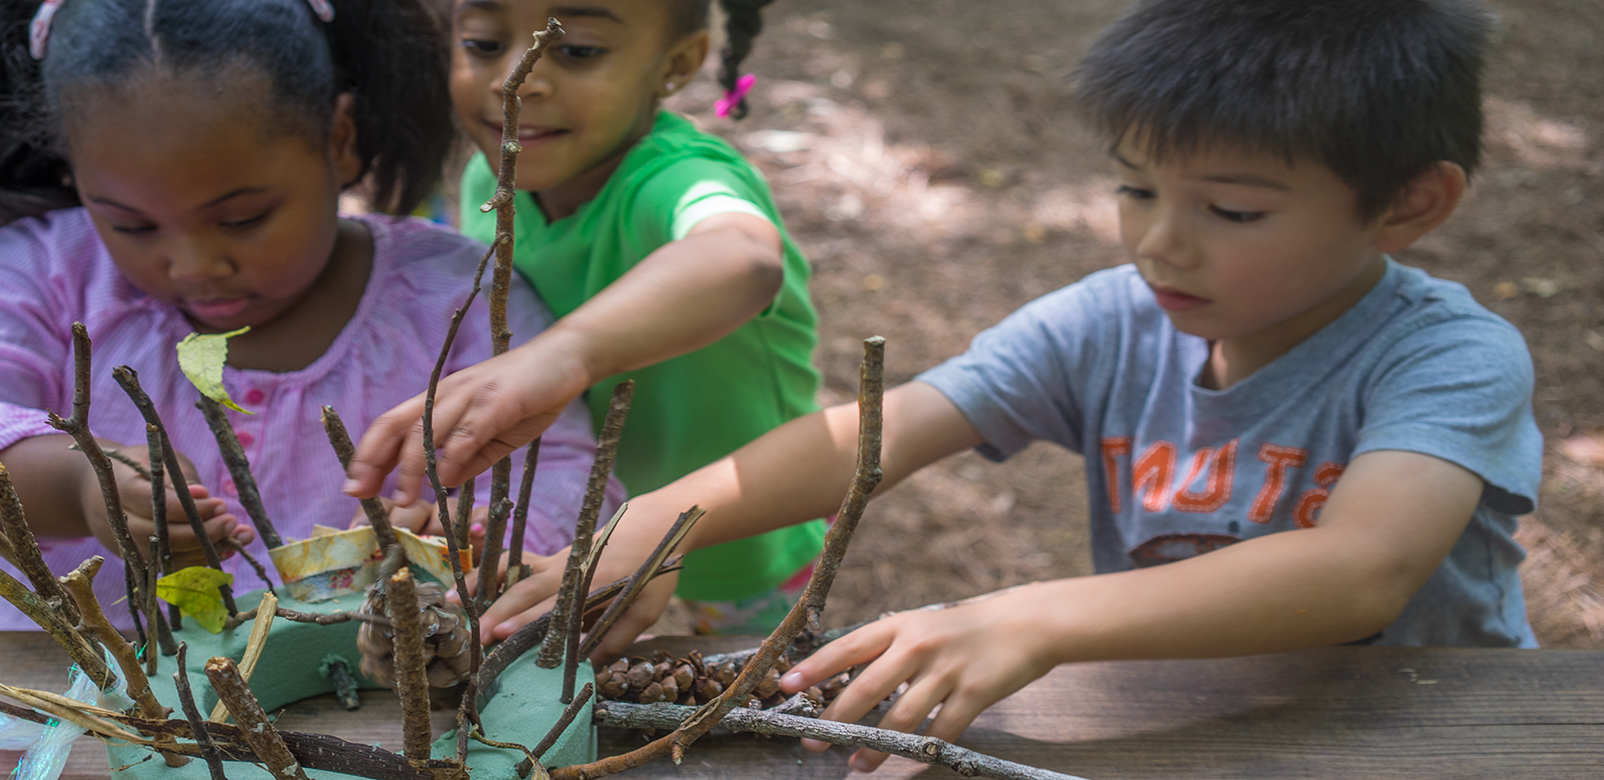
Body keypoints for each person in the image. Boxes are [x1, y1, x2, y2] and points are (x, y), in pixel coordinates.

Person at [484, 0, 1539, 770]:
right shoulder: (1110, 318)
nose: (1159, 245)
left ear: (1407, 203)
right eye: (1133, 189)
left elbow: (1361, 571)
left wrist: (1029, 617)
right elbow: (878, 433)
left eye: (1233, 211)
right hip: (1198, 718)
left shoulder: (1445, 356)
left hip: (1432, 726)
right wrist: (663, 518)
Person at [0, 0, 609, 630]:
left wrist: (474, 540)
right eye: (131, 224)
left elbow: (570, 477)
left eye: (242, 218)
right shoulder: (42, 277)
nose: (194, 264)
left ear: (338, 140)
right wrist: (73, 485)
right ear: (75, 168)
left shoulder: (455, 302)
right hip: (95, 721)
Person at [342, 0, 828, 635]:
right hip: (594, 535)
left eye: (576, 51)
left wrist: (562, 354)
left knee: (744, 696)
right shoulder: (490, 184)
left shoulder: (674, 179)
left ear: (675, 65)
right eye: (485, 43)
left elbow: (742, 257)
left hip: (737, 534)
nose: (519, 78)